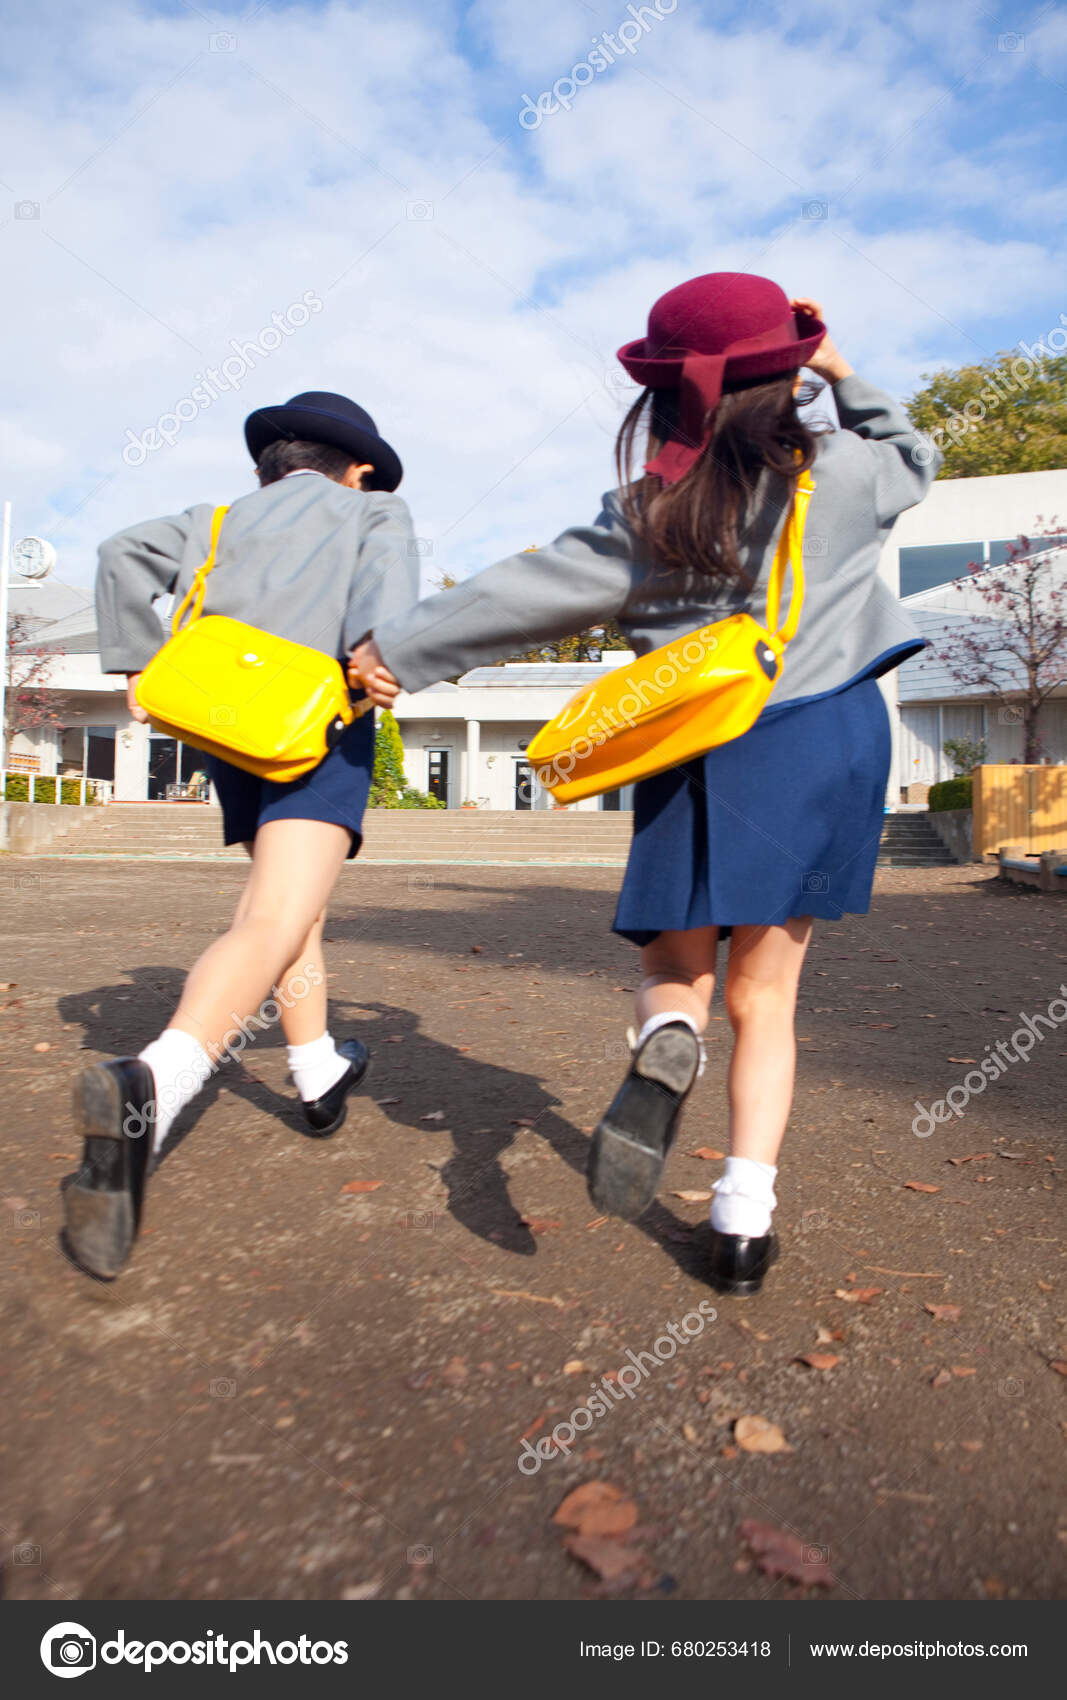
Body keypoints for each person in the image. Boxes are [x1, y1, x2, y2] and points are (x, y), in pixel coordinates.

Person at [350, 274, 940, 1296]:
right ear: (787, 369)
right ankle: (741, 1224)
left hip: (700, 739)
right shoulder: (847, 473)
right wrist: (836, 366)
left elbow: (519, 592)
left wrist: (393, 648)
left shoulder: (647, 509)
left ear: (662, 390)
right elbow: (912, 453)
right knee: (769, 999)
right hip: (826, 738)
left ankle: (667, 1034)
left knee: (681, 972)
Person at [65, 392, 419, 1280]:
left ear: (273, 461)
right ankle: (158, 1081)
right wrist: (380, 655)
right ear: (359, 464)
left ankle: (314, 1068)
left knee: (294, 909)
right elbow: (387, 603)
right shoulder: (373, 508)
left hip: (228, 726)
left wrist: (142, 663)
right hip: (315, 725)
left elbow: (115, 553)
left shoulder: (214, 518)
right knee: (270, 915)